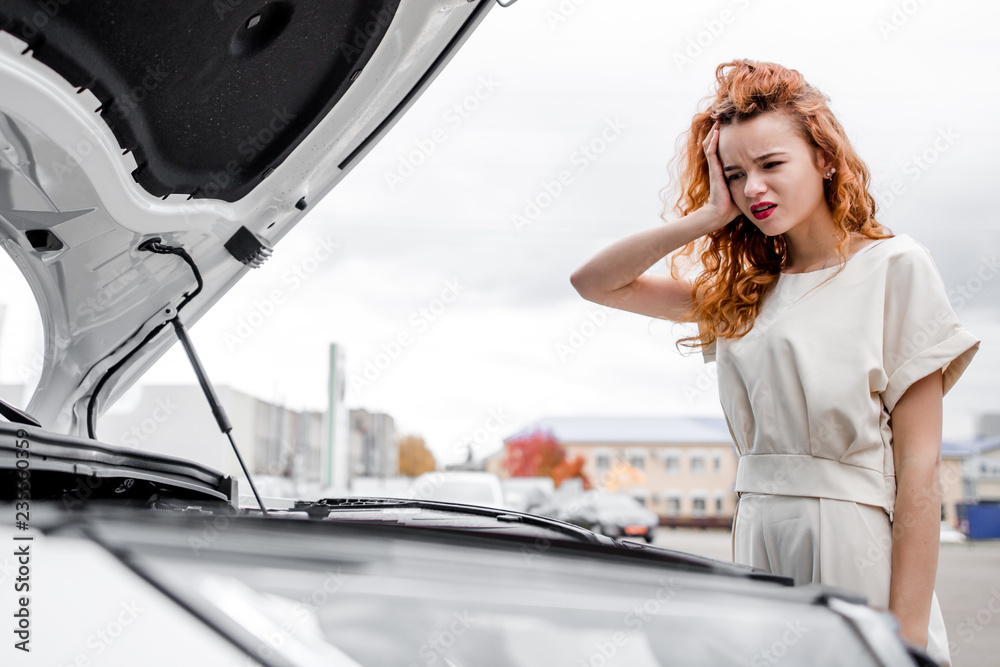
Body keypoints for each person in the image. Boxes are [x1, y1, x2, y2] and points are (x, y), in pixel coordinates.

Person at [569, 59, 980, 666]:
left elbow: (919, 475)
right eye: (735, 174)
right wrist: (707, 216)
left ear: (825, 158)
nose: (753, 188)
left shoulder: (897, 268)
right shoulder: (746, 290)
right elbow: (596, 283)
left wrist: (907, 635)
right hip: (757, 535)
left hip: (852, 544)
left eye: (771, 165)